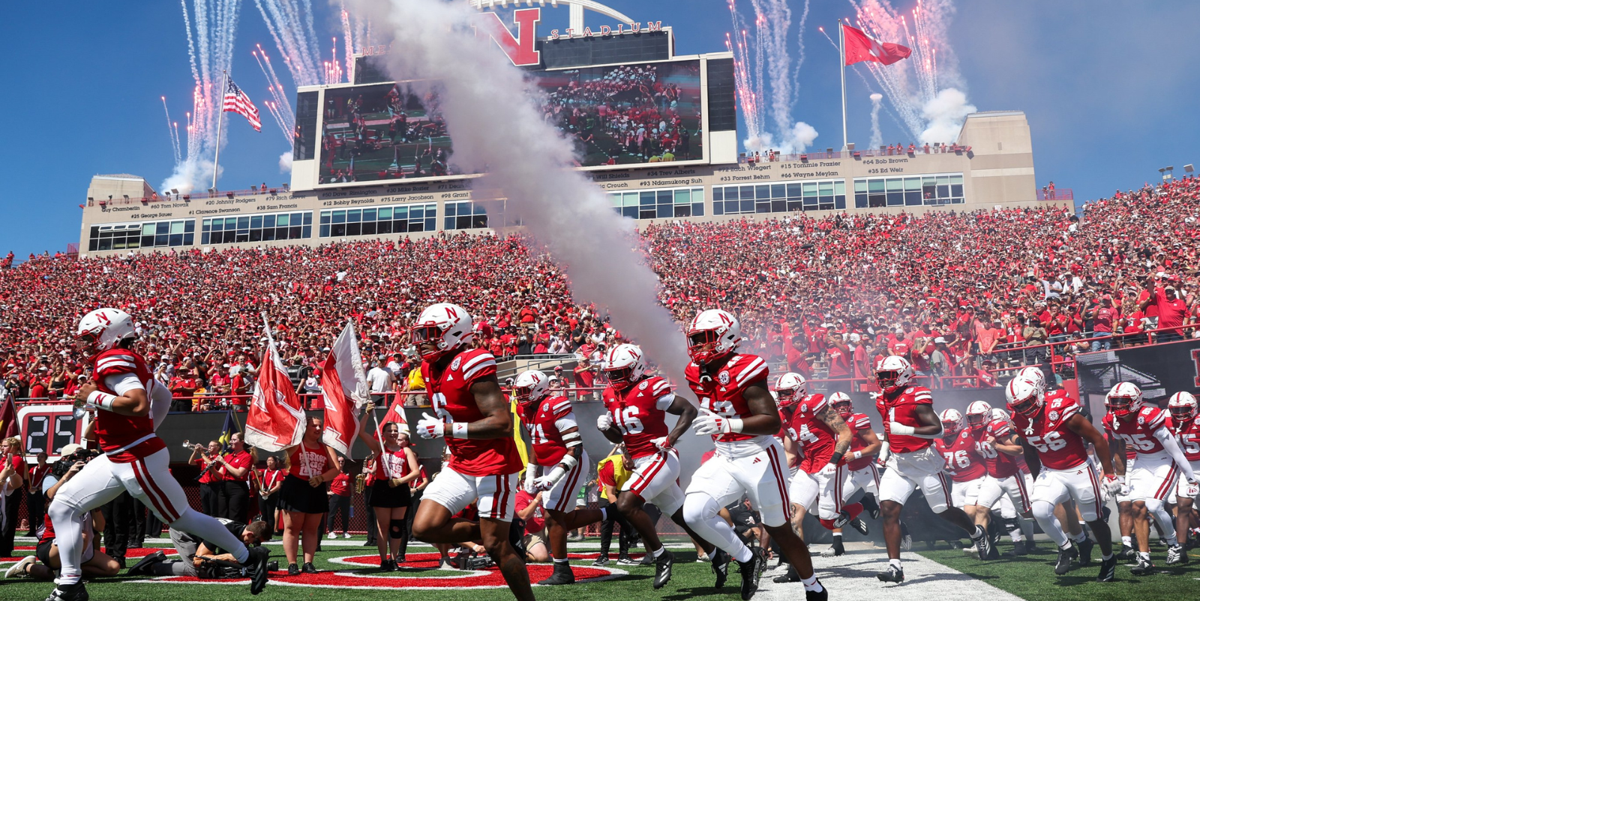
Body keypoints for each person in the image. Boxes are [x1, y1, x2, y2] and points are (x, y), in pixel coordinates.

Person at [46, 308, 267, 600]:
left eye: (91, 337)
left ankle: (248, 557)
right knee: (62, 506)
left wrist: (95, 397)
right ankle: (70, 584)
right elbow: (164, 396)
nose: (86, 344)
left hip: (134, 459)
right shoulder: (127, 360)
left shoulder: (113, 358)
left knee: (182, 519)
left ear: (112, 333)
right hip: (118, 456)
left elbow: (137, 403)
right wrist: (147, 430)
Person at [681, 309, 826, 601]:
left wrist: (727, 423)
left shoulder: (747, 367)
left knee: (778, 528)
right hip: (724, 454)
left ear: (728, 337)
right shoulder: (694, 371)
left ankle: (814, 587)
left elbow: (772, 421)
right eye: (694, 339)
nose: (697, 346)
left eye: (705, 339)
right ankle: (747, 558)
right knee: (693, 513)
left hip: (759, 454)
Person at [408, 303, 535, 602]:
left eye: (430, 334)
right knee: (424, 527)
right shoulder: (428, 367)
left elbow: (502, 423)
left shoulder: (473, 361)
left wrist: (447, 430)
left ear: (454, 333)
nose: (422, 341)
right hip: (461, 462)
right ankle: (494, 531)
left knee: (497, 548)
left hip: (494, 464)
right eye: (420, 334)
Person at [871, 355, 989, 584]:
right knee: (888, 510)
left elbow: (937, 430)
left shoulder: (917, 395)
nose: (884, 380)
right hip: (899, 463)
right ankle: (895, 567)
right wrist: (885, 449)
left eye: (888, 376)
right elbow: (889, 427)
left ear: (903, 375)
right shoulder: (881, 399)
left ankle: (976, 533)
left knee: (942, 510)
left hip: (924, 462)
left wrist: (905, 430)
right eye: (881, 376)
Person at [596, 343, 704, 590]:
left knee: (626, 503)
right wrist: (606, 429)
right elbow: (619, 437)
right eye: (610, 372)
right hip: (639, 462)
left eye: (619, 372)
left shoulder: (650, 387)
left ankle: (661, 555)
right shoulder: (610, 394)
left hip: (659, 456)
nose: (613, 377)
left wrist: (671, 438)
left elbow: (689, 409)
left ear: (636, 369)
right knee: (684, 516)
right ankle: (719, 554)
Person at [1003, 375, 1120, 582]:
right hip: (1051, 470)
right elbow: (1029, 451)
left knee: (1093, 518)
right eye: (1018, 406)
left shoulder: (1061, 410)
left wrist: (1109, 474)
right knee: (1039, 510)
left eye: (1027, 403)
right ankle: (1067, 547)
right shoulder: (1019, 418)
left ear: (1039, 393)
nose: (1023, 410)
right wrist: (1039, 478)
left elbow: (1097, 439)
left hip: (1079, 469)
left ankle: (1108, 559)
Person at [516, 370, 610, 587]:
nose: (520, 396)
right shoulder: (524, 409)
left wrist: (554, 476)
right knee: (561, 517)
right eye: (518, 391)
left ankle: (562, 570)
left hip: (570, 464)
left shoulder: (556, 405)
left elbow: (575, 448)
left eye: (524, 391)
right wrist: (531, 472)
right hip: (551, 464)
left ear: (539, 389)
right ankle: (611, 513)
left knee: (552, 514)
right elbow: (536, 443)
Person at [773, 373, 866, 583]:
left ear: (799, 390)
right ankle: (796, 569)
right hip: (808, 465)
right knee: (793, 517)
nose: (782, 397)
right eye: (780, 394)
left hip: (830, 464)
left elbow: (845, 433)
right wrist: (780, 471)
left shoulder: (813, 404)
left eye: (786, 392)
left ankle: (863, 504)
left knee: (828, 521)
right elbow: (790, 453)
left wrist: (834, 461)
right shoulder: (783, 416)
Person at [1101, 382, 1196, 575]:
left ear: (1135, 401)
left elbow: (1176, 451)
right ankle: (1144, 558)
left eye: (1122, 402)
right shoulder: (1113, 420)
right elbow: (1116, 448)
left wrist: (1190, 477)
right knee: (1137, 507)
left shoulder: (1149, 416)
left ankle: (1173, 543)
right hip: (1141, 461)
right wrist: (1115, 476)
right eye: (1115, 402)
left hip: (1164, 460)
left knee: (1153, 505)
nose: (1118, 407)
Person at [4, 446, 124, 582]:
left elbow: (100, 527)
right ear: (66, 459)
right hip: (53, 544)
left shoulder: (86, 487)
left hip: (81, 545)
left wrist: (95, 504)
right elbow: (50, 495)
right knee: (82, 536)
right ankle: (65, 573)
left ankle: (30, 568)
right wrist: (68, 476)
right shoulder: (54, 477)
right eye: (77, 459)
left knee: (112, 568)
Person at [356, 408, 421, 572]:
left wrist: (400, 481)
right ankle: (383, 559)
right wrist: (367, 414)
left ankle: (394, 559)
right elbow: (361, 432)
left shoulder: (405, 451)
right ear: (383, 433)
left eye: (395, 431)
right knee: (383, 526)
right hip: (382, 488)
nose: (393, 433)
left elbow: (416, 472)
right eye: (390, 431)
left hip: (399, 489)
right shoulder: (378, 448)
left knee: (397, 526)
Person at [970, 403, 1038, 556]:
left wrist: (996, 445)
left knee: (1026, 513)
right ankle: (985, 548)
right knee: (980, 509)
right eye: (971, 417)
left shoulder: (995, 427)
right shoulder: (973, 432)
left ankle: (1063, 532)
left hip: (1011, 476)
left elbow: (1019, 450)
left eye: (977, 416)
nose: (973, 420)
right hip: (993, 477)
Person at [280, 416, 340, 576]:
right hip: (295, 487)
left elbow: (336, 469)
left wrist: (321, 478)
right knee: (292, 528)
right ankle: (292, 563)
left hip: (316, 488)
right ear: (305, 428)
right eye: (314, 426)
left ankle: (308, 563)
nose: (318, 429)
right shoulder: (295, 444)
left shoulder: (326, 448)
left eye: (320, 426)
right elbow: (282, 432)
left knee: (311, 529)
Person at [933, 409, 995, 559]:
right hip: (957, 482)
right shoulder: (937, 440)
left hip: (975, 478)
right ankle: (986, 539)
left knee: (970, 512)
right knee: (964, 518)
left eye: (949, 424)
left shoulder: (969, 435)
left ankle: (983, 540)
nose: (946, 428)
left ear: (958, 423)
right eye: (944, 425)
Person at [129, 517, 270, 578]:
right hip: (182, 531)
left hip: (196, 531)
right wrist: (226, 557)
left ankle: (160, 562)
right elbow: (198, 559)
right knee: (196, 569)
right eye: (256, 542)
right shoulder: (224, 532)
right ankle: (153, 565)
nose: (254, 545)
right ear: (250, 534)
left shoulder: (240, 530)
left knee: (215, 565)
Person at [1165, 391, 1200, 565]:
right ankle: (1182, 548)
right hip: (1187, 469)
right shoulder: (1166, 422)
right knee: (1183, 507)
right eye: (1176, 410)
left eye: (1184, 409)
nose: (1179, 414)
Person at [217, 433, 254, 522]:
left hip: (237, 487)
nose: (231, 442)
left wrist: (224, 463)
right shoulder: (228, 456)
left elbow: (239, 473)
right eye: (231, 440)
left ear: (242, 442)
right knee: (222, 514)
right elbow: (219, 475)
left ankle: (236, 535)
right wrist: (211, 468)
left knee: (235, 515)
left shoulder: (247, 456)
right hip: (224, 486)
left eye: (234, 440)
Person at [1, 437, 26, 558]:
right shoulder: (3, 459)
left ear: (13, 447)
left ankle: (5, 548)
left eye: (5, 446)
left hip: (9, 491)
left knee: (7, 519)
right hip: (3, 490)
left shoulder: (16, 459)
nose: (2, 448)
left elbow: (11, 475)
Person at [189, 440, 225, 517]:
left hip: (214, 485)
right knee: (205, 508)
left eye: (211, 446)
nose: (209, 447)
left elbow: (211, 464)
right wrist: (195, 452)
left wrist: (202, 453)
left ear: (217, 448)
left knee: (214, 508)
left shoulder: (219, 458)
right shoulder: (205, 458)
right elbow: (191, 462)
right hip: (204, 485)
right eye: (209, 446)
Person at [257, 455, 285, 537]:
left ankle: (269, 533)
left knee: (270, 515)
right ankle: (263, 533)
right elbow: (257, 473)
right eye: (268, 460)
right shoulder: (264, 471)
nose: (269, 462)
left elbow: (278, 486)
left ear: (275, 462)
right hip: (262, 494)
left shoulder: (278, 472)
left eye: (271, 460)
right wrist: (254, 468)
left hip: (272, 494)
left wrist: (269, 492)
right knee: (263, 514)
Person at [325, 456, 354, 538]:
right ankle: (330, 532)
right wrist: (327, 492)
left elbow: (351, 484)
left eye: (342, 461)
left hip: (346, 495)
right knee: (332, 514)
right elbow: (324, 481)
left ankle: (345, 532)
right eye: (339, 461)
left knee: (345, 514)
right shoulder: (333, 471)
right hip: (335, 495)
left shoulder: (348, 472)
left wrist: (352, 496)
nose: (341, 463)